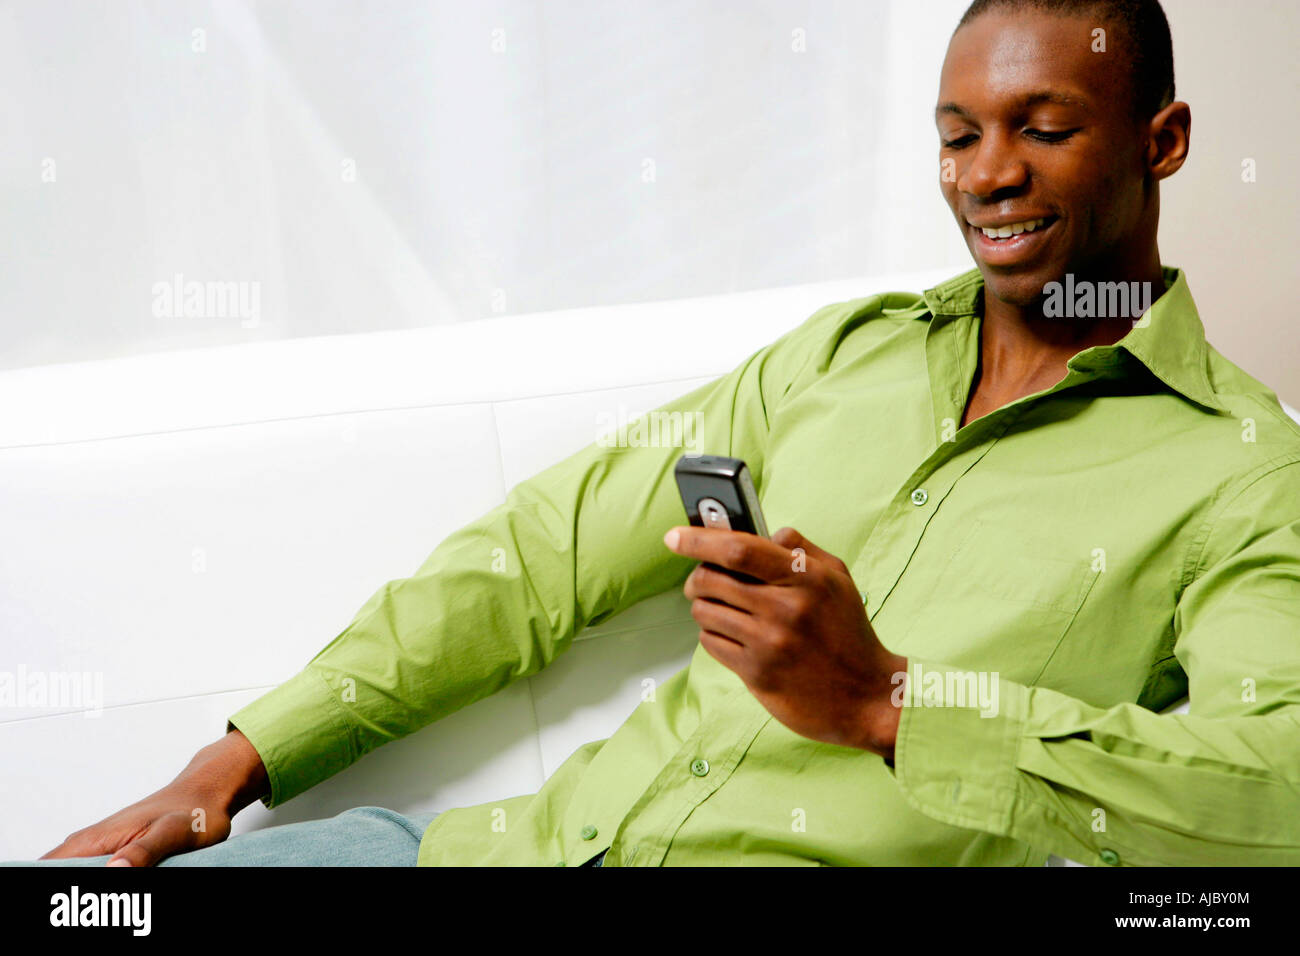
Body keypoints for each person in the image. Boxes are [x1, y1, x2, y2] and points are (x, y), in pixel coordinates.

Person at [16, 0, 1300, 868]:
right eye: (958, 136)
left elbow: (1271, 791)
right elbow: (545, 553)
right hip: (505, 852)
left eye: (1044, 129)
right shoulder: (842, 356)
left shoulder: (1241, 476)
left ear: (1162, 140)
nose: (986, 175)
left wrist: (890, 703)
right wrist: (240, 756)